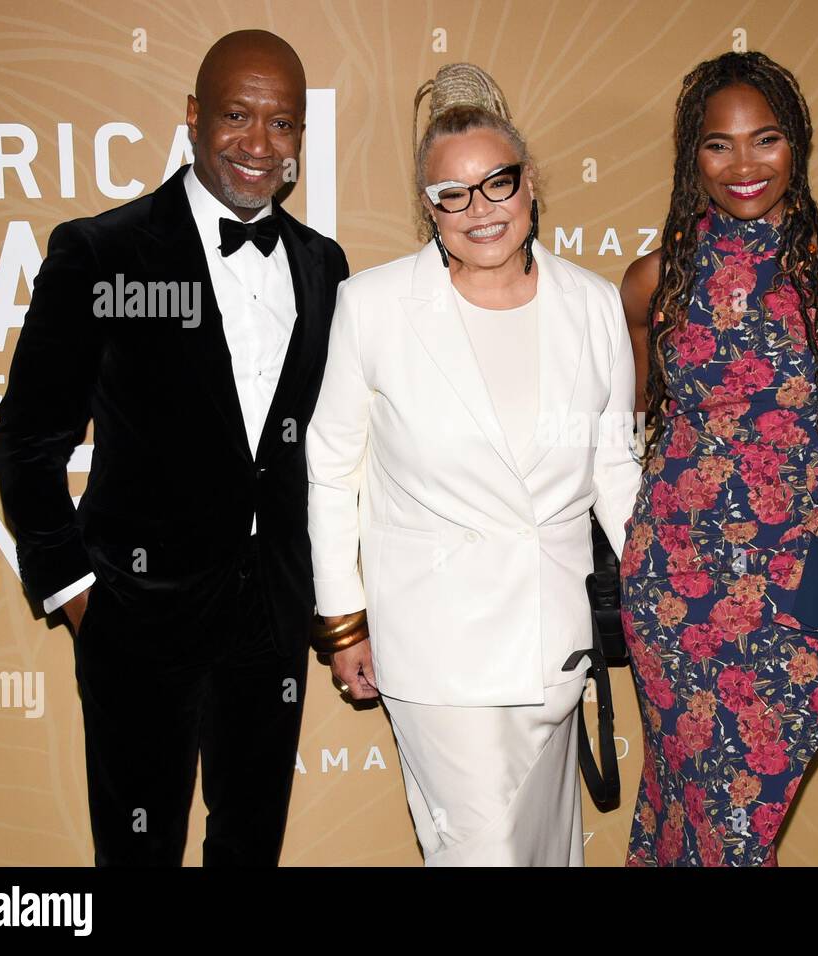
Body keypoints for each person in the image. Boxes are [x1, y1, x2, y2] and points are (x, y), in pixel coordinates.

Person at [0, 30, 349, 866]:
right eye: (235, 114)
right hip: (137, 616)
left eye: (282, 123)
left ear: (301, 136)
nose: (258, 144)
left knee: (249, 844)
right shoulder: (104, 253)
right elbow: (27, 437)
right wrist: (77, 592)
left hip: (270, 617)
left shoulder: (324, 266)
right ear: (193, 117)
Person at [305, 63, 641, 867]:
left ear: (531, 186)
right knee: (482, 853)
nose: (479, 210)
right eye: (452, 194)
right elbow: (329, 469)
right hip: (437, 647)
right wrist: (343, 619)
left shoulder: (591, 303)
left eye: (497, 184)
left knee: (548, 850)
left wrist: (662, 603)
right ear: (430, 209)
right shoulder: (376, 306)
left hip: (554, 642)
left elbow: (615, 469)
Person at [617, 51, 818, 866]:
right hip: (675, 579)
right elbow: (631, 434)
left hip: (797, 579)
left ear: (796, 145)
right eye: (718, 145)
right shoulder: (652, 283)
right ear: (690, 156)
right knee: (703, 810)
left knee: (744, 807)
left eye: (765, 140)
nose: (743, 166)